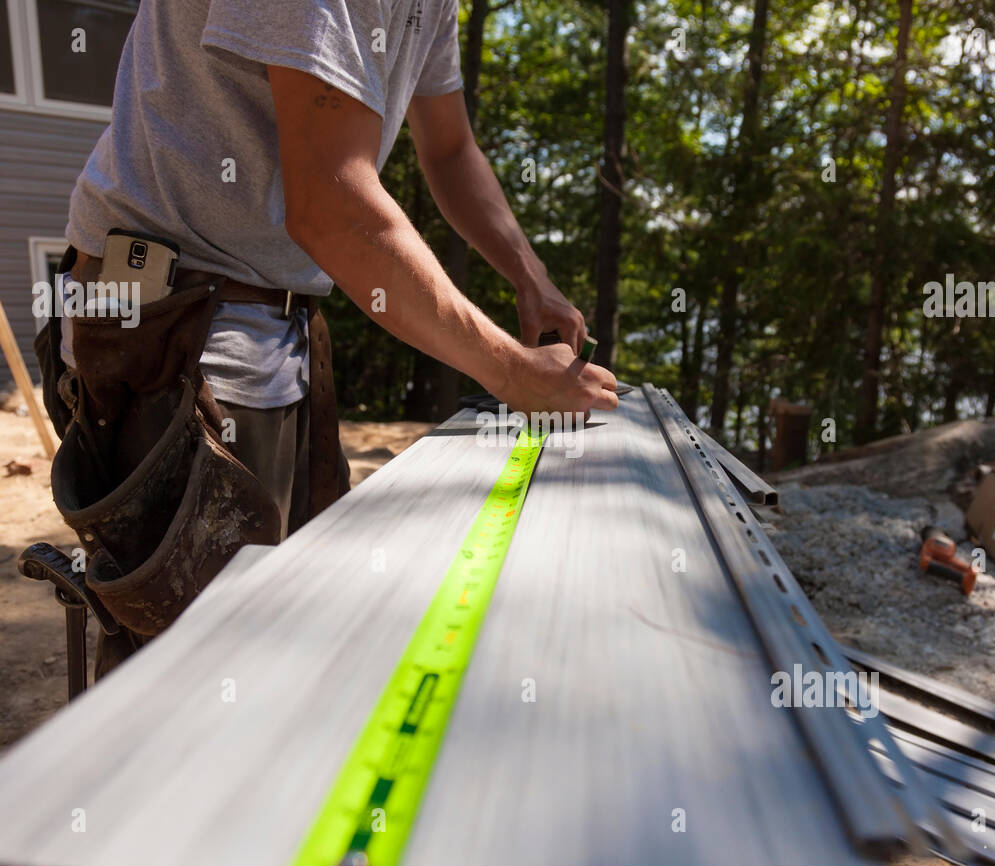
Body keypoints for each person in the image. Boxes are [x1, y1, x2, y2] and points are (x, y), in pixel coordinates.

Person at [43, 0, 617, 676]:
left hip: (281, 313)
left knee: (300, 615)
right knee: (198, 661)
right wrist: (516, 374)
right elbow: (331, 204)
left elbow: (451, 147)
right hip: (170, 314)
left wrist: (530, 274)